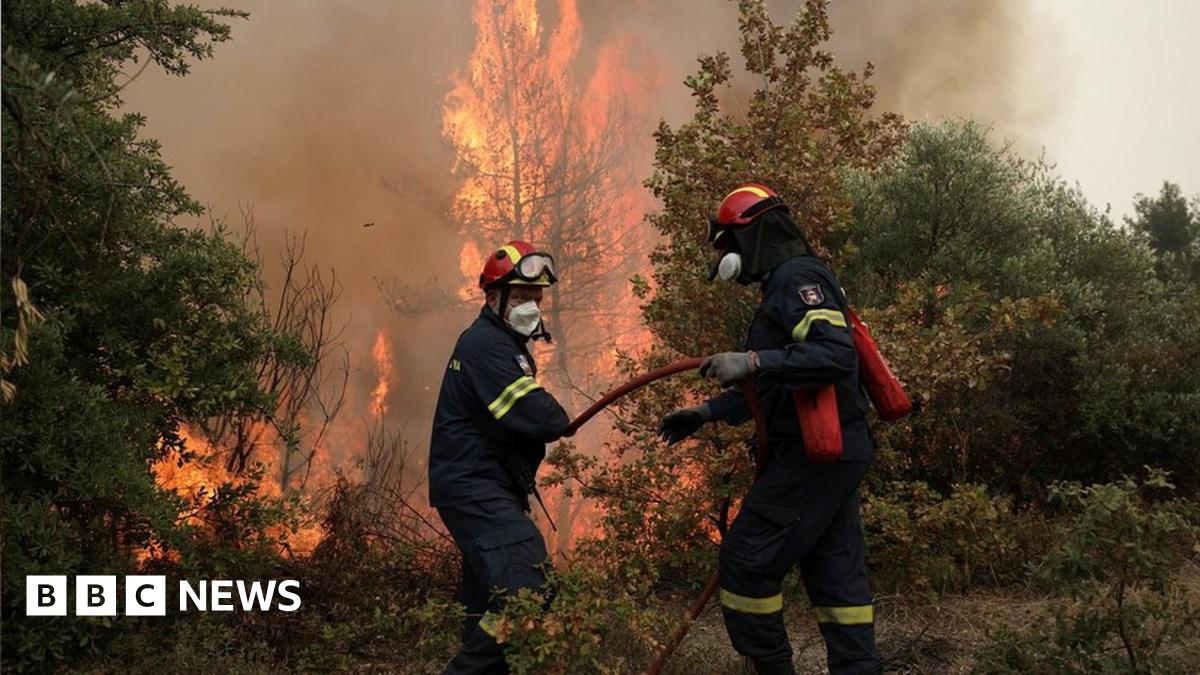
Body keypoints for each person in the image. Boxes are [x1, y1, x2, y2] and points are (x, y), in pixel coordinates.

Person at [658, 185, 882, 675]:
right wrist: (706, 412)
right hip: (829, 452)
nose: (726, 259)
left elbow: (833, 355)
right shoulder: (784, 283)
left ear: (751, 237)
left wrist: (754, 360)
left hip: (814, 453)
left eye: (726, 246)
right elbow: (770, 390)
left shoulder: (797, 278)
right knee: (835, 577)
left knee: (745, 561)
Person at [429, 240, 569, 674]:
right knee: (528, 586)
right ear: (494, 299)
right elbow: (540, 415)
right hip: (475, 488)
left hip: (482, 486)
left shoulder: (502, 344)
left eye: (537, 299)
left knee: (488, 603)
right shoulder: (486, 345)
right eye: (522, 297)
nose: (532, 307)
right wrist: (556, 416)